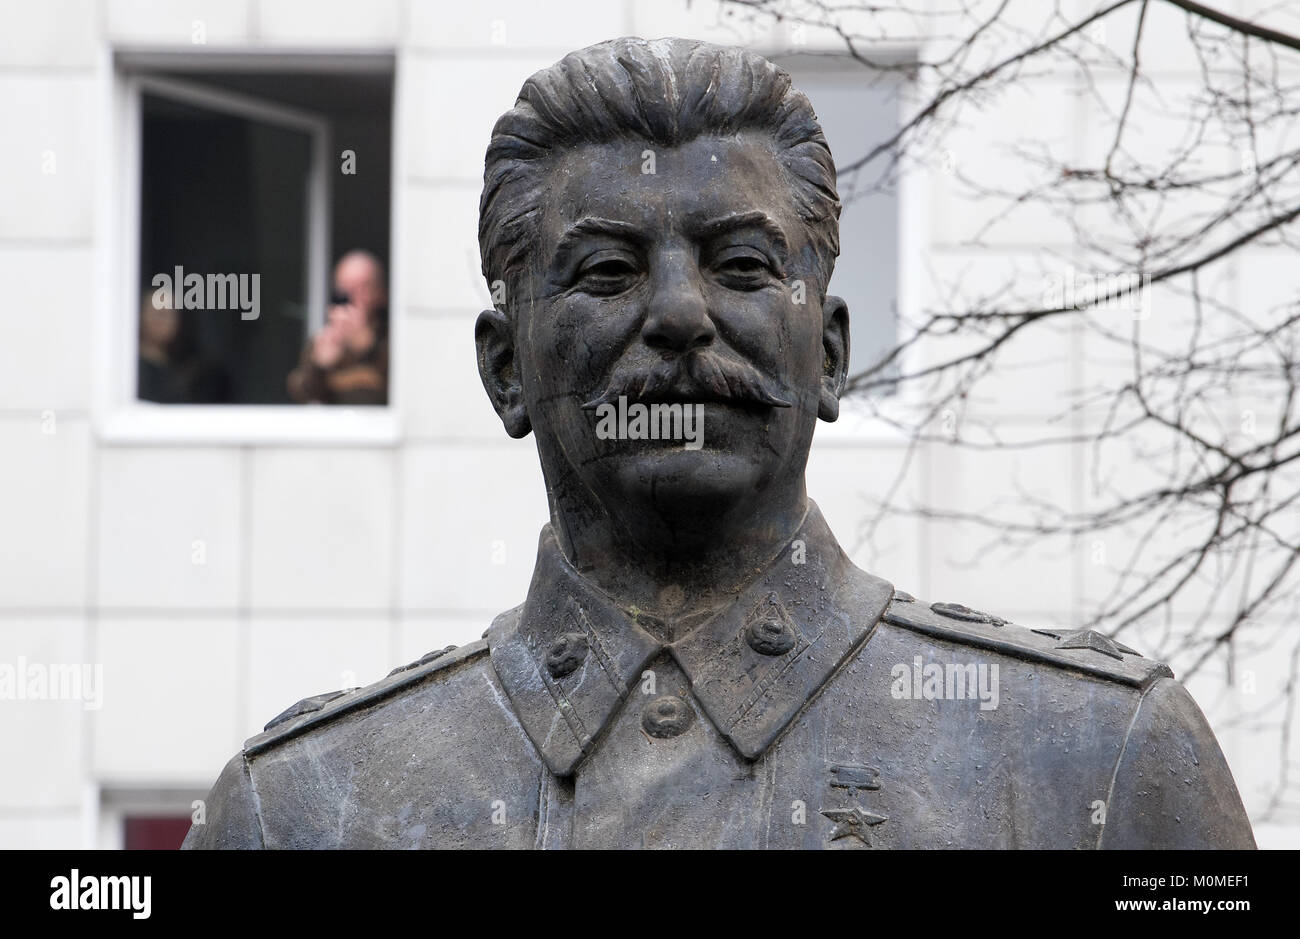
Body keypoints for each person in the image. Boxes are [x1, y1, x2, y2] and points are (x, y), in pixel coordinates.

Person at [183, 38, 1255, 849]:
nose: (681, 317)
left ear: (828, 355)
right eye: (605, 271)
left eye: (741, 266)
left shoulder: (1101, 761)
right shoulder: (299, 813)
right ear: (505, 369)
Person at [287, 250, 389, 405]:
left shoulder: (394, 340)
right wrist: (319, 366)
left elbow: (407, 391)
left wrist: (369, 347)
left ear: (381, 294)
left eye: (364, 287)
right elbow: (302, 395)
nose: (353, 296)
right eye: (345, 288)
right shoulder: (323, 340)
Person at [137, 290, 227, 403]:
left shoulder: (180, 369)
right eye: (160, 313)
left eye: (172, 313)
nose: (166, 321)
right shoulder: (131, 370)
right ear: (140, 316)